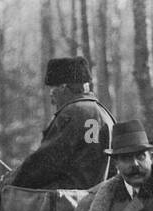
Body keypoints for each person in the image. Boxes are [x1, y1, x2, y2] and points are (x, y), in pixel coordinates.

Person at [11, 56, 115, 190]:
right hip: (99, 202)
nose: (51, 96)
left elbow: (45, 162)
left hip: (67, 204)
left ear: (64, 88)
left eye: (52, 89)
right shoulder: (106, 115)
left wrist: (12, 180)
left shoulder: (71, 113)